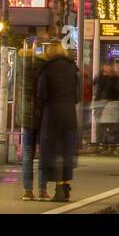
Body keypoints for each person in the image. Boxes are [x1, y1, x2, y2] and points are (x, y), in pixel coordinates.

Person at [37, 42, 81, 203]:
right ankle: (66, 187)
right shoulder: (72, 69)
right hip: (69, 115)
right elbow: (78, 96)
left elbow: (41, 94)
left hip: (52, 115)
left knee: (54, 151)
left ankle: (58, 189)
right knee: (67, 151)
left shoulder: (46, 68)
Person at [18, 41, 47, 200]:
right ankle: (42, 189)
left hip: (26, 117)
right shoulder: (42, 68)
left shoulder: (21, 70)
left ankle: (27, 191)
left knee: (28, 154)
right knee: (43, 153)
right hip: (41, 116)